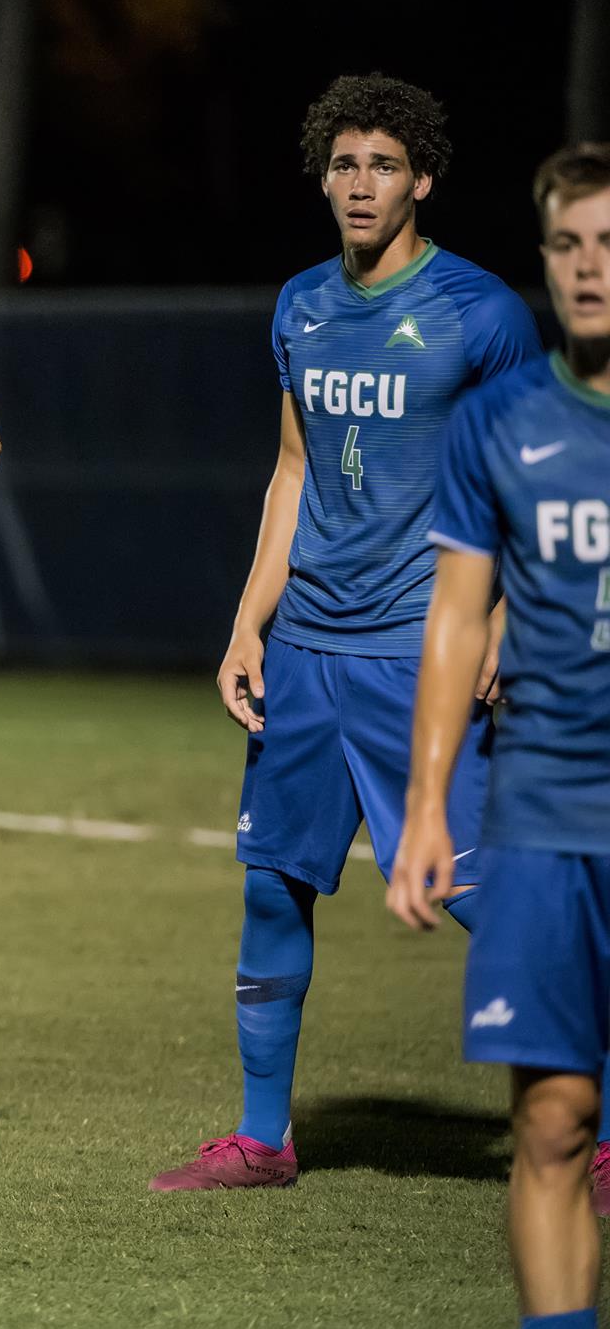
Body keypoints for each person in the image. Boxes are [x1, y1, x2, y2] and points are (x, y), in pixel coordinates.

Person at [151, 74, 541, 1191]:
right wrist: (245, 623)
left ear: (421, 179)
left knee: (483, 895)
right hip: (307, 652)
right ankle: (262, 1139)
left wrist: (504, 623)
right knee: (272, 882)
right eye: (341, 163)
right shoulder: (300, 306)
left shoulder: (480, 313)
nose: (358, 183)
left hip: (423, 650)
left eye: (381, 164)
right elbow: (291, 471)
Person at [389, 143, 610, 1329]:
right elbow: (456, 617)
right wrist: (429, 807)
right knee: (550, 1118)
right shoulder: (497, 423)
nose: (587, 269)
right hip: (539, 813)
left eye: (608, 245)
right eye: (567, 245)